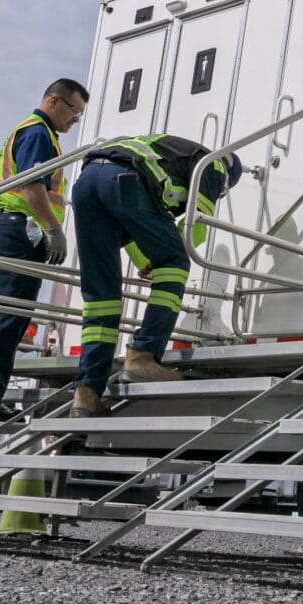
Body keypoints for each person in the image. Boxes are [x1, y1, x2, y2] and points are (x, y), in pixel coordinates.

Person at [65, 135, 242, 416]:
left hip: (88, 181)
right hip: (124, 179)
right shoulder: (214, 165)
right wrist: (164, 259)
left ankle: (86, 393)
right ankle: (142, 356)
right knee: (176, 263)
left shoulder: (169, 153)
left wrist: (147, 259)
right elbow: (195, 225)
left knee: (102, 297)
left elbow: (136, 225)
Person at [0, 80, 88, 423]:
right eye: (74, 111)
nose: (75, 120)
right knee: (8, 319)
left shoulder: (27, 131)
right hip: (20, 230)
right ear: (55, 101)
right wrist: (54, 229)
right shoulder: (39, 133)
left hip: (2, 227)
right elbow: (33, 187)